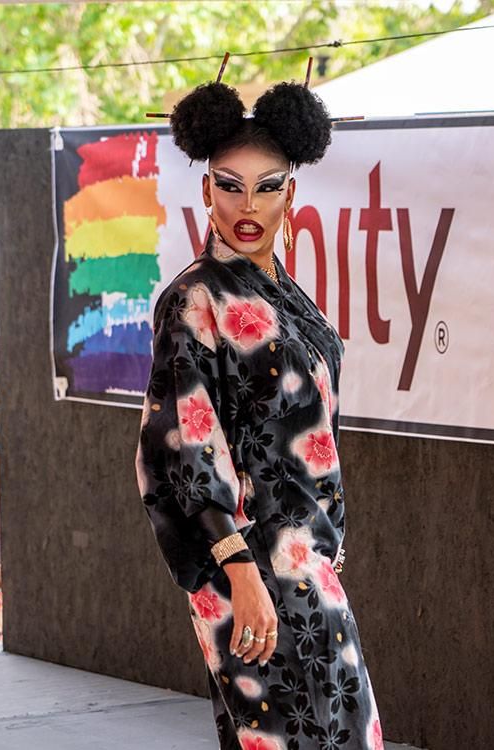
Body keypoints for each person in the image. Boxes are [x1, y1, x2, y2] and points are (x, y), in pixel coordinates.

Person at [135, 69, 383, 749]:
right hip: (247, 568)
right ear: (207, 190)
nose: (249, 204)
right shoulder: (195, 300)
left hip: (308, 564)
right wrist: (239, 570)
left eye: (268, 186)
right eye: (231, 184)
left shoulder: (288, 297)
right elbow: (183, 447)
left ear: (291, 194)